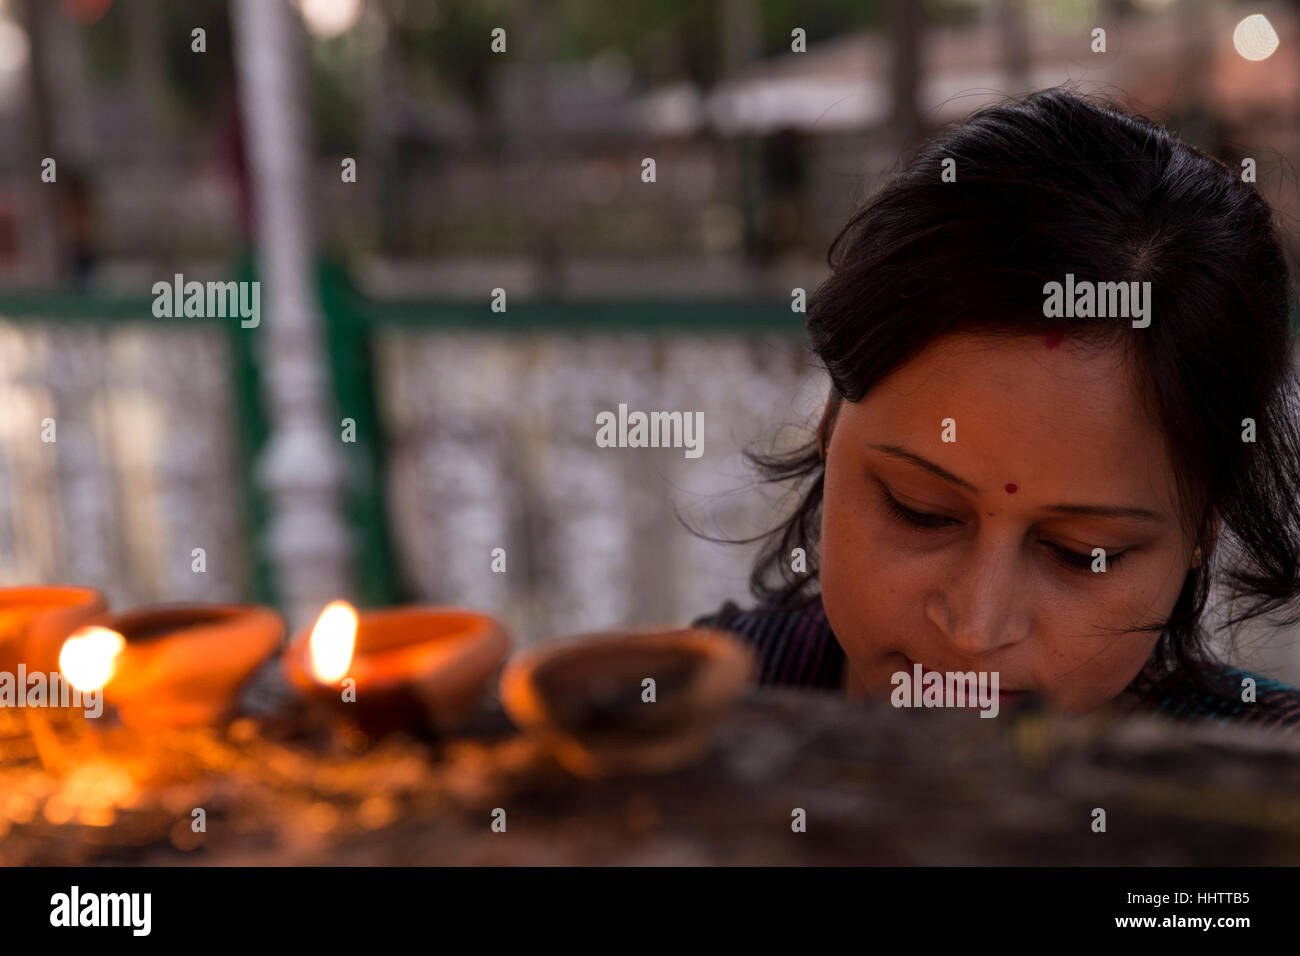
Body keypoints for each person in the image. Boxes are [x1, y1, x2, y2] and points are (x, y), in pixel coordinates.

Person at [695, 88, 1300, 728]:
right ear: (830, 424)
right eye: (919, 511)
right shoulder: (692, 716)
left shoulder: (1272, 780)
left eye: (1081, 552)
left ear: (1203, 526)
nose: (974, 632)